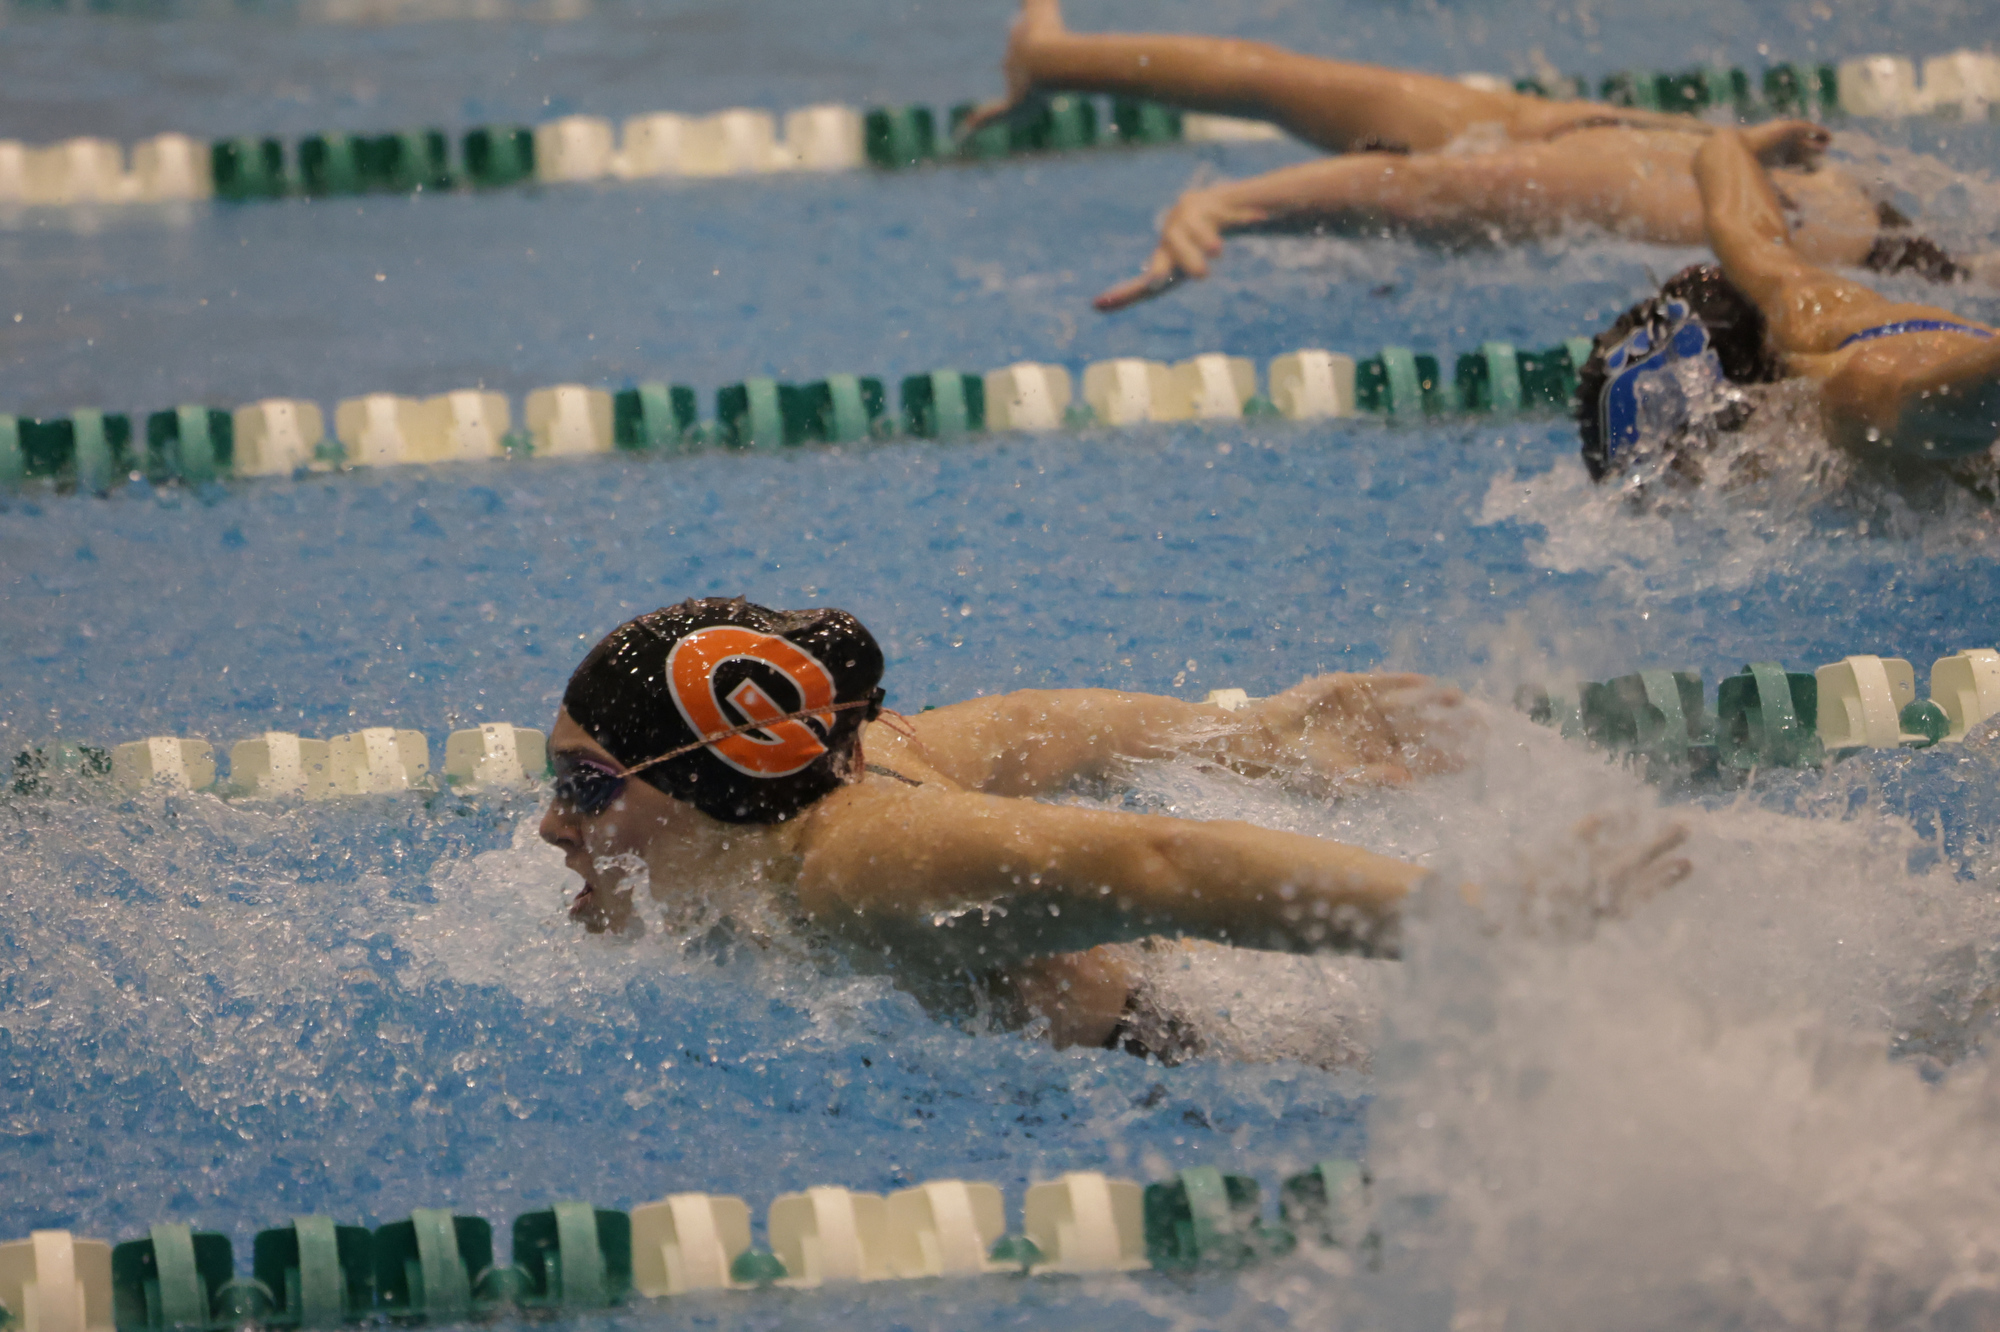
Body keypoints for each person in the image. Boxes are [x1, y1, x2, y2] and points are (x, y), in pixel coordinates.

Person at [539, 597, 1689, 1060]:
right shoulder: (845, 766)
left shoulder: (853, 867)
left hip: (1226, 1044)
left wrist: (1477, 920)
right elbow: (1033, 726)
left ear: (710, 789)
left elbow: (1160, 861)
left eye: (586, 788)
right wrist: (1252, 738)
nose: (550, 826)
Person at [967, 0, 1967, 311]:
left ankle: (1048, 55)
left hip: (1569, 130)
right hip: (1581, 159)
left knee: (1270, 75)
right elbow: (1431, 189)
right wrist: (1225, 206)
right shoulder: (1792, 242)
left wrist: (1739, 148)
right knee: (1286, 86)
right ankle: (1050, 58)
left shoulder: (1803, 206)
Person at [1573, 126, 1999, 482]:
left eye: (1690, 474)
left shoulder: (1851, 399)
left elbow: (1936, 400)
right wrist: (1739, 145)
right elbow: (1737, 211)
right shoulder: (1797, 300)